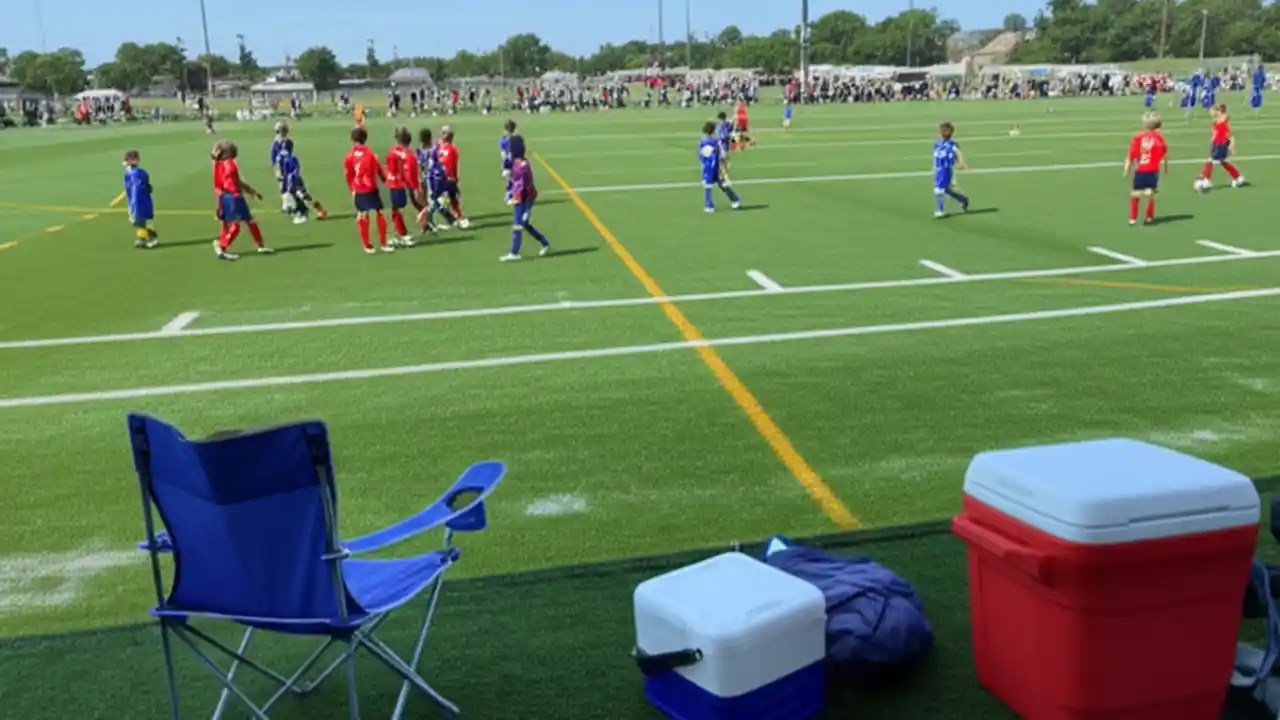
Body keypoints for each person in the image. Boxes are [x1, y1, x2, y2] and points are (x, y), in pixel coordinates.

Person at [212, 141, 272, 260]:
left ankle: (260, 245)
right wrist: (250, 191)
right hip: (233, 197)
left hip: (229, 196)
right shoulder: (229, 165)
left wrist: (251, 191)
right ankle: (222, 246)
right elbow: (236, 182)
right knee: (236, 225)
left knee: (250, 221)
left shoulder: (218, 163)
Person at [343, 125, 393, 254]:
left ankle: (367, 245)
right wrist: (385, 180)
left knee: (362, 215)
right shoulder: (370, 154)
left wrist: (352, 189)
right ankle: (383, 243)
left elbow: (348, 174)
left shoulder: (350, 155)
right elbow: (378, 170)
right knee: (380, 213)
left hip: (358, 189)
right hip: (369, 188)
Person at [500, 151, 551, 262]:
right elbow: (511, 183)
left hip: (525, 198)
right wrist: (508, 193)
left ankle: (514, 252)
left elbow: (526, 189)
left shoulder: (523, 168)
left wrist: (528, 209)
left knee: (518, 225)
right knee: (525, 224)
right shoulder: (514, 163)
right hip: (520, 197)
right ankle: (544, 242)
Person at [1123, 111, 1169, 226]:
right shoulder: (1160, 138)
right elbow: (1164, 156)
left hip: (1141, 169)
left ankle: (1132, 218)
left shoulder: (1138, 137)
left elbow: (1131, 155)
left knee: (1135, 194)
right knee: (1150, 193)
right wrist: (1165, 170)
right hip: (1153, 170)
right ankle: (1149, 216)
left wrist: (1126, 169)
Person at [416, 128, 456, 232]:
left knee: (433, 201)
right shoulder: (429, 149)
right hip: (430, 178)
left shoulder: (430, 150)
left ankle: (438, 220)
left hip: (432, 179)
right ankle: (432, 222)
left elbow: (424, 166)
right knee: (430, 201)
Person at [384, 127, 419, 247]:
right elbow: (409, 172)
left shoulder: (392, 151)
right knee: (397, 210)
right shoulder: (408, 154)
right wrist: (414, 187)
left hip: (392, 183)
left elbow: (388, 167)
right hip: (400, 184)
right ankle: (402, 234)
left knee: (396, 210)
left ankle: (401, 234)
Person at [1198, 104, 1245, 191]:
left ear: (1219, 111)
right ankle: (1238, 177)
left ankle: (1206, 180)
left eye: (1214, 111)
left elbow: (1229, 133)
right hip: (1216, 144)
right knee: (1224, 162)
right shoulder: (1216, 120)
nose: (1211, 113)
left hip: (1220, 144)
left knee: (1211, 161)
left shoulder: (1223, 119)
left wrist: (1231, 145)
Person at [699, 121, 741, 213]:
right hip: (712, 168)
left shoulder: (709, 142)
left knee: (715, 186)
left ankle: (733, 199)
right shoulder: (712, 142)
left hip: (713, 168)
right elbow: (722, 155)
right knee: (711, 186)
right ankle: (710, 204)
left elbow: (703, 156)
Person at [933, 122, 970, 219]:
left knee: (939, 190)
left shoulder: (952, 144)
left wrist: (961, 163)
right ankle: (963, 199)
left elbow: (958, 153)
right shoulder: (937, 144)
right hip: (938, 170)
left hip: (946, 170)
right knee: (946, 190)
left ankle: (940, 210)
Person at [122, 149, 158, 249]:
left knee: (140, 219)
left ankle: (150, 238)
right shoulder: (129, 173)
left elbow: (140, 188)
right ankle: (143, 238)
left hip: (140, 201)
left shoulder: (138, 173)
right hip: (134, 200)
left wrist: (134, 204)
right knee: (138, 222)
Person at [280, 149, 327, 224]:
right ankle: (299, 210)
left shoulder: (290, 159)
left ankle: (320, 210)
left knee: (304, 196)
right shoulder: (286, 159)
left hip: (295, 181)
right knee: (297, 197)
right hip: (290, 180)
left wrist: (293, 179)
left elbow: (296, 170)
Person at [437, 126, 469, 228]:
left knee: (441, 201)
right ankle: (458, 218)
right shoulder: (451, 148)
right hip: (448, 178)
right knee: (452, 200)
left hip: (443, 179)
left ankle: (456, 219)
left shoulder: (440, 147)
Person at [270, 121, 295, 212]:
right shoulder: (276, 143)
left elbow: (285, 154)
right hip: (280, 166)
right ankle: (286, 205)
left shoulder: (287, 142)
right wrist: (276, 169)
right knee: (282, 186)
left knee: (288, 186)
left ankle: (289, 204)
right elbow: (273, 157)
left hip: (287, 167)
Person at [500, 119, 518, 203]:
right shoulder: (512, 139)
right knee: (511, 180)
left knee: (512, 180)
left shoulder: (504, 139)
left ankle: (511, 195)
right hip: (510, 162)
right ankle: (509, 197)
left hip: (506, 162)